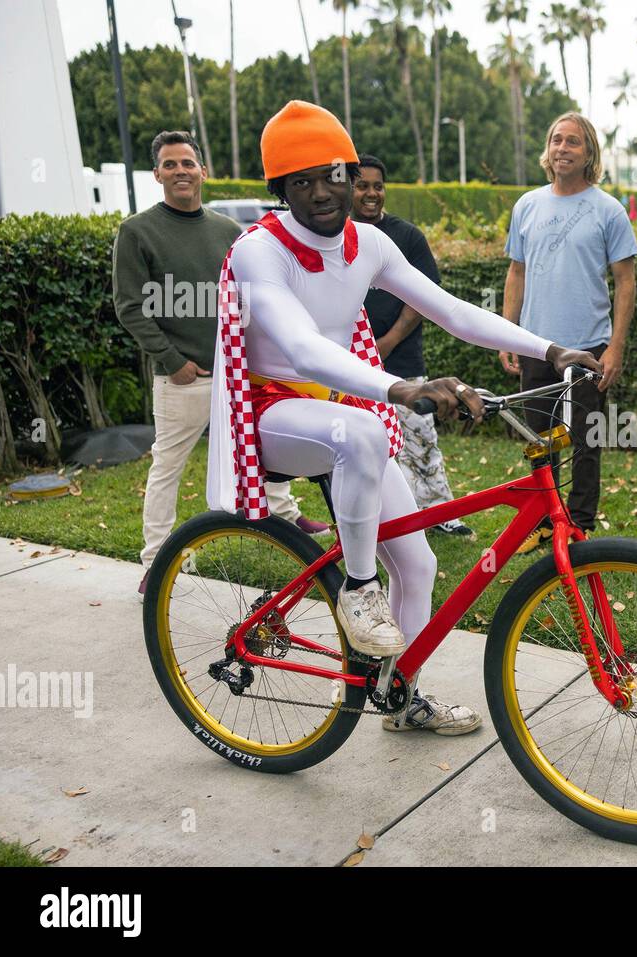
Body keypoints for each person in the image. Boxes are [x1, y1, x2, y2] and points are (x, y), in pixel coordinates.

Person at [205, 101, 601, 734]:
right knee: (361, 430)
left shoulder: (370, 243)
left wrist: (549, 349)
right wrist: (402, 386)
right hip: (270, 412)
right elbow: (304, 349)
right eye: (298, 182)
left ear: (349, 172)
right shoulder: (260, 252)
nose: (320, 193)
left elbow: (453, 312)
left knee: (418, 565)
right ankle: (358, 590)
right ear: (279, 192)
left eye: (330, 175)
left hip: (340, 407)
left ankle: (399, 695)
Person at [112, 130, 328, 599]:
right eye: (170, 165)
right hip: (182, 379)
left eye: (187, 163)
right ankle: (155, 562)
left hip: (237, 374)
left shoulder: (229, 232)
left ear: (202, 171)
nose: (180, 171)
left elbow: (255, 298)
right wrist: (173, 363)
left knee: (262, 447)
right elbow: (130, 306)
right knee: (167, 466)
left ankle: (287, 516)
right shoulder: (136, 232)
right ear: (157, 175)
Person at [498, 112, 637, 553]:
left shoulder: (608, 210)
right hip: (537, 344)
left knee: (584, 440)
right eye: (556, 139)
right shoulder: (527, 205)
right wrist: (507, 333)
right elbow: (516, 272)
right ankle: (543, 521)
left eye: (572, 142)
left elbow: (626, 282)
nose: (562, 148)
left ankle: (578, 525)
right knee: (540, 441)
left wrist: (615, 348)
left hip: (588, 348)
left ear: (588, 153)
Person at [351, 153, 471, 537]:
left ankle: (441, 516)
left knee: (420, 438)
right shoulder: (336, 235)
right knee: (363, 447)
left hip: (401, 357)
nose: (371, 193)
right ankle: (382, 519)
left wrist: (385, 343)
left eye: (378, 186)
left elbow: (425, 297)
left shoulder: (406, 236)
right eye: (362, 185)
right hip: (350, 363)